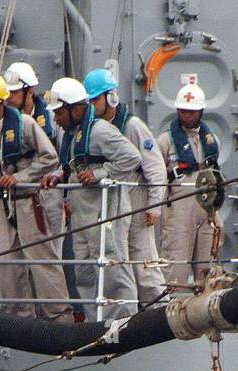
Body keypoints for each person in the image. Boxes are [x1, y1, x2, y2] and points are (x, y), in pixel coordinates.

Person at [0, 73, 71, 320]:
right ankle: (20, 318)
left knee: (42, 258)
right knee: (6, 263)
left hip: (27, 202)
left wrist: (21, 177)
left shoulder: (25, 124)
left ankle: (60, 316)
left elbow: (50, 157)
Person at [40, 77, 141, 320]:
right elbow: (71, 166)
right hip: (82, 215)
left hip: (105, 212)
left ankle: (122, 322)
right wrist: (57, 174)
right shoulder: (70, 135)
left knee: (112, 269)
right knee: (84, 272)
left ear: (75, 109)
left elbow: (132, 157)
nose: (56, 119)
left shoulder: (100, 131)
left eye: (59, 112)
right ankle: (95, 322)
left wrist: (100, 174)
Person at [84, 68, 169, 307]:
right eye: (88, 100)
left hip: (137, 200)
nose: (91, 105)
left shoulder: (133, 126)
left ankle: (160, 313)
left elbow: (155, 167)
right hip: (114, 204)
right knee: (117, 265)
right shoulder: (94, 128)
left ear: (110, 97)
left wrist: (154, 206)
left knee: (144, 265)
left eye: (95, 99)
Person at [157, 82, 220, 288]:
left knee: (207, 268)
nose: (187, 115)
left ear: (200, 111)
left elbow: (216, 173)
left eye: (191, 112)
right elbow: (156, 175)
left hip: (206, 207)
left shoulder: (211, 141)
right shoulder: (166, 141)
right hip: (178, 208)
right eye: (183, 111)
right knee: (175, 267)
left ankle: (206, 312)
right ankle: (169, 312)